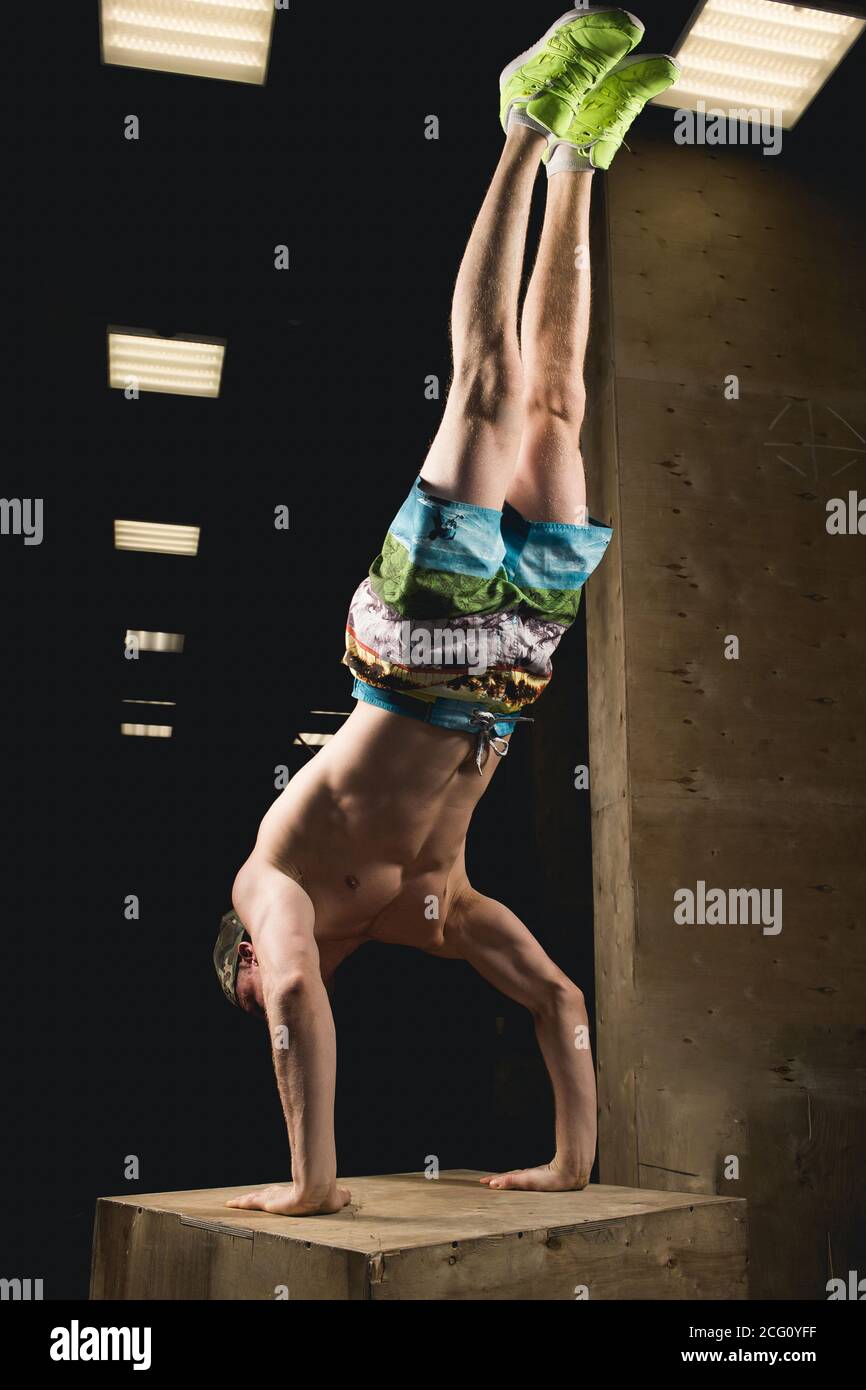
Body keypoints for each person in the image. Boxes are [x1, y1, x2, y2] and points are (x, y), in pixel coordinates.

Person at [213, 8, 678, 1217]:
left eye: (252, 985)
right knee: (560, 406)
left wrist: (311, 1184)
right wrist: (572, 1162)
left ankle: (522, 120)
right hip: (509, 676)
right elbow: (561, 1005)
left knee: (486, 391)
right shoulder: (434, 904)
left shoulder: (271, 886)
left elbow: (297, 1006)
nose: (274, 990)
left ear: (250, 958)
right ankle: (583, 154)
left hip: (412, 660)